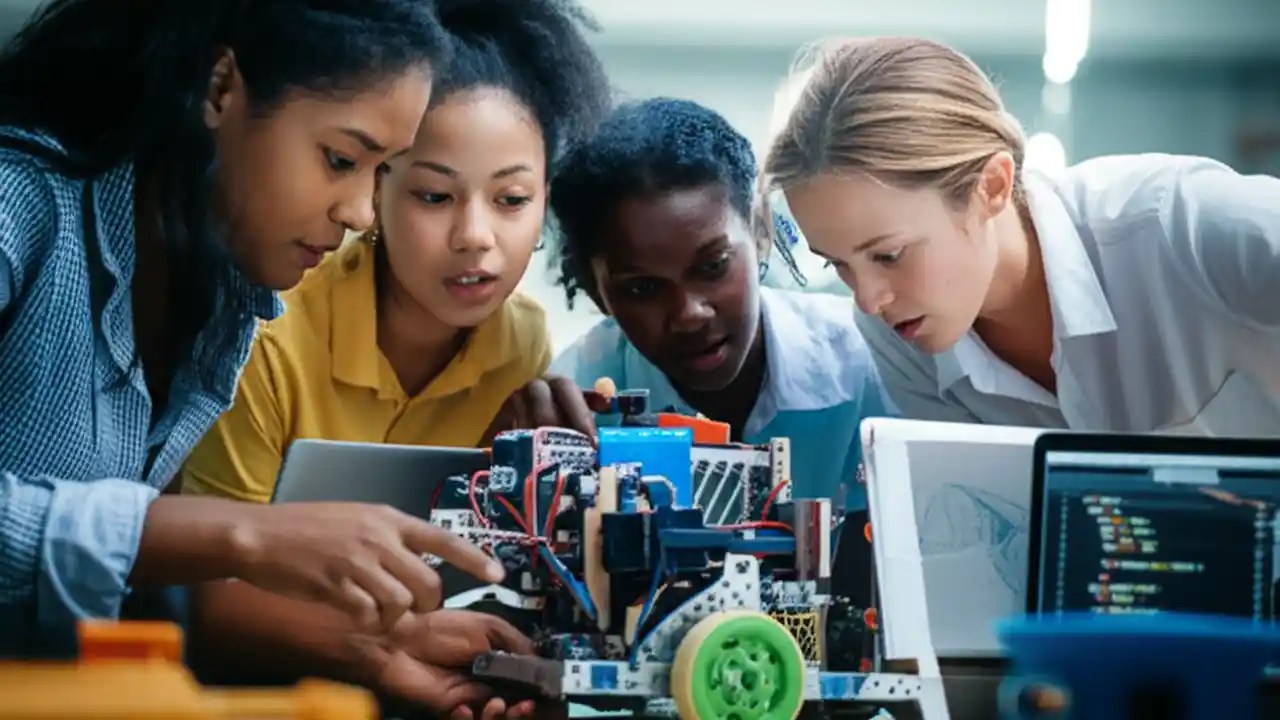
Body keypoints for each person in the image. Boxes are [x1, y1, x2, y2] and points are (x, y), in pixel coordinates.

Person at [0, 0, 504, 661]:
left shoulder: (225, 287)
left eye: (381, 170)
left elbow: (106, 575)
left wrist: (377, 647)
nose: (358, 212)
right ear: (220, 89)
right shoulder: (16, 205)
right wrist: (248, 534)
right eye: (339, 157)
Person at [177, 1, 609, 715]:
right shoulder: (269, 321)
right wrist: (381, 647)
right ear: (374, 187)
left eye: (512, 198)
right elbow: (202, 595)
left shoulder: (522, 344)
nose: (476, 236)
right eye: (434, 195)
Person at [763, 36, 1280, 435]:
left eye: (889, 254)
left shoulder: (1186, 225)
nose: (869, 299)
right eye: (838, 264)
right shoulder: (899, 339)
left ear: (992, 185)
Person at [546, 97, 896, 511]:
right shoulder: (570, 414)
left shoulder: (872, 365)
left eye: (713, 266)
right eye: (642, 289)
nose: (690, 313)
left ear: (760, 230)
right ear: (594, 291)